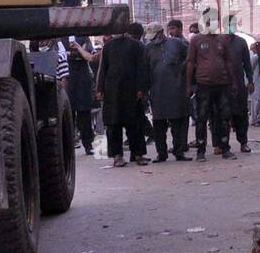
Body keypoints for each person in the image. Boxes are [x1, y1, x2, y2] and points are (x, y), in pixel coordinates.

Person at [96, 22, 151, 167]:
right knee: (113, 126)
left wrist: (141, 89)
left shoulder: (137, 46)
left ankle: (138, 155)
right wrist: (99, 89)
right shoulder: (108, 46)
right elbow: (103, 69)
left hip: (132, 91)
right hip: (112, 92)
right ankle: (117, 156)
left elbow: (142, 69)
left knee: (135, 124)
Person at [186, 20, 234, 161]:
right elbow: (190, 62)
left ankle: (225, 148)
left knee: (224, 117)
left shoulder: (223, 39)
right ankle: (201, 151)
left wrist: (234, 82)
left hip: (222, 84)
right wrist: (188, 85)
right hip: (203, 84)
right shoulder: (196, 40)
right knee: (201, 118)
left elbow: (228, 61)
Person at [145, 20, 191, 162]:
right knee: (159, 125)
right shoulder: (148, 48)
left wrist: (181, 71)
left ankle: (179, 151)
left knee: (178, 123)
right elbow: (145, 69)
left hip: (176, 90)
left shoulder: (176, 43)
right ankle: (162, 153)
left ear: (160, 33)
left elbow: (189, 58)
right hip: (157, 91)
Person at [64, 35, 98, 155]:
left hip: (82, 80)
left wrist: (75, 51)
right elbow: (59, 54)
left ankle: (88, 144)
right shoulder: (60, 38)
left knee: (84, 114)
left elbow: (88, 55)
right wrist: (76, 54)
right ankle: (68, 146)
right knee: (68, 115)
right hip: (67, 79)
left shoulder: (83, 37)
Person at [224, 17, 254, 153]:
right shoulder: (219, 41)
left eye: (234, 24)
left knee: (241, 114)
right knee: (223, 116)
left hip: (240, 84)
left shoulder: (241, 43)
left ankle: (243, 143)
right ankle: (223, 145)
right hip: (223, 85)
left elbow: (247, 64)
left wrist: (251, 81)